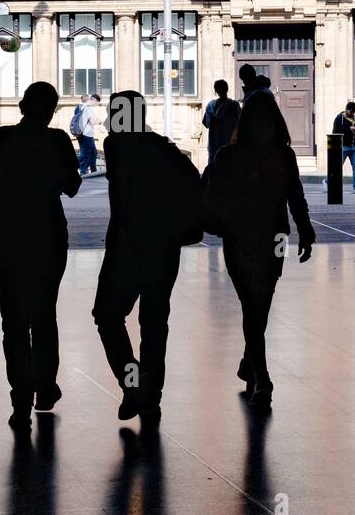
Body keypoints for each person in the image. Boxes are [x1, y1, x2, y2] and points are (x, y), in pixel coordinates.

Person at [0, 81, 81, 430]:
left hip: (7, 236)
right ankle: (45, 387)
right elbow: (71, 186)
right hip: (47, 236)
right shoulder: (56, 141)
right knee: (43, 316)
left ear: (22, 105)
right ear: (52, 110)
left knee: (12, 321)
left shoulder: (1, 139)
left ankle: (20, 399)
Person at [92, 90, 202, 423]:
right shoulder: (162, 146)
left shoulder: (117, 145)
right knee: (155, 324)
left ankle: (132, 385)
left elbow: (120, 197)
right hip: (165, 247)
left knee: (107, 316)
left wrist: (122, 239)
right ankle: (151, 396)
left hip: (128, 247)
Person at [202, 91, 314, 410]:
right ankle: (261, 376)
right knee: (257, 304)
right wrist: (305, 231)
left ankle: (251, 363)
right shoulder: (282, 155)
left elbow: (213, 196)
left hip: (241, 237)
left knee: (255, 305)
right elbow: (296, 198)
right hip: (273, 237)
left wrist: (305, 229)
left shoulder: (228, 155)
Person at [329, 101, 355, 193]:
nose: (352, 114)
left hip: (353, 147)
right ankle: (327, 181)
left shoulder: (353, 117)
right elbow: (336, 131)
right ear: (347, 110)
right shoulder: (339, 118)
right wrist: (349, 129)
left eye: (354, 112)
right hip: (343, 147)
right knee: (337, 167)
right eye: (351, 112)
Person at [201, 79, 240, 166]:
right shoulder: (234, 105)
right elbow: (240, 124)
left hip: (214, 144)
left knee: (214, 169)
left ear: (216, 91)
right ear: (227, 89)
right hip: (229, 144)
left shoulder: (211, 105)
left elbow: (206, 124)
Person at [77, 93, 101, 175]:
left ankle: (93, 171)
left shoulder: (82, 106)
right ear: (94, 99)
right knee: (86, 154)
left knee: (93, 152)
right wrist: (99, 121)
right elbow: (92, 121)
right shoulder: (89, 108)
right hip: (86, 134)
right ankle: (82, 172)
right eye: (97, 103)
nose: (97, 105)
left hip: (82, 134)